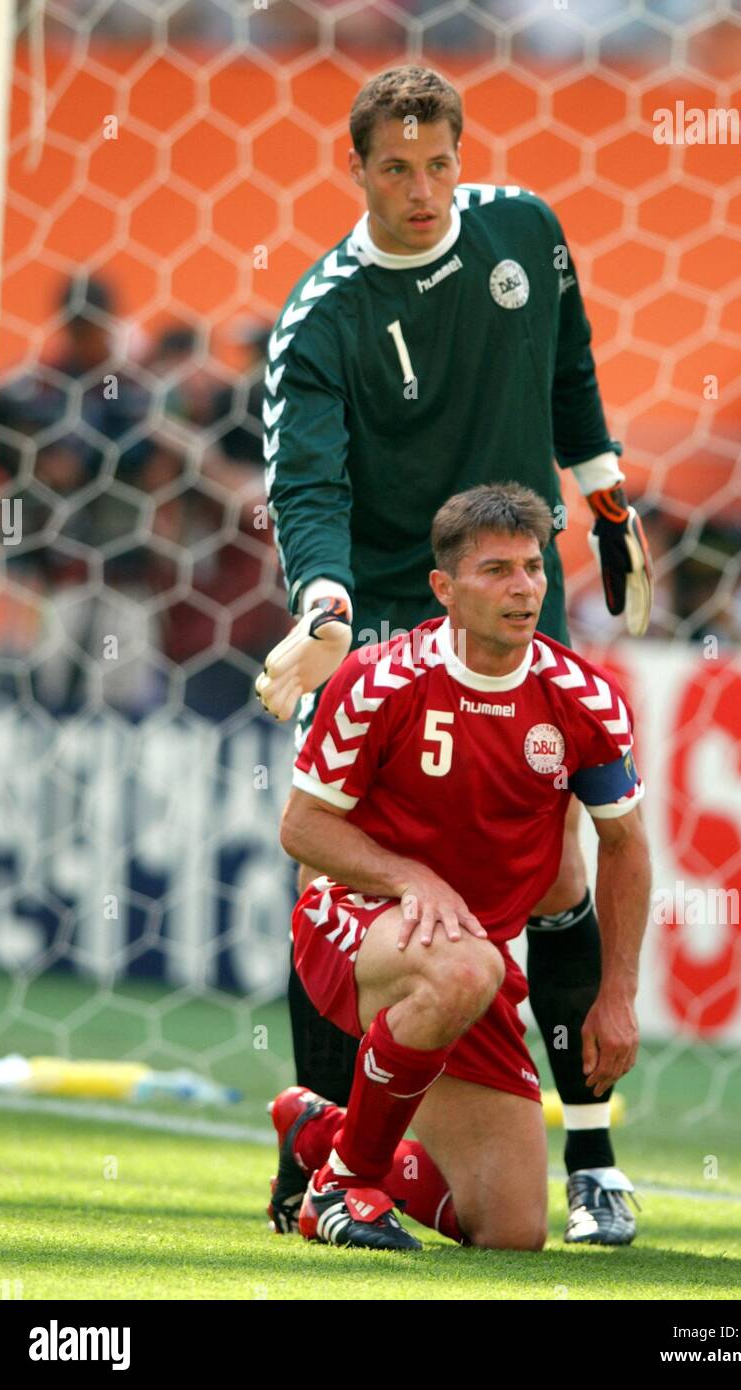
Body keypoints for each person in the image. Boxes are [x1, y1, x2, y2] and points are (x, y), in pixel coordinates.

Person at [257, 64, 652, 1241]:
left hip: (514, 594)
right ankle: (324, 1149)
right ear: (358, 169)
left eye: (439, 164)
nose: (422, 190)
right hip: (381, 609)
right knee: (343, 874)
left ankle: (591, 1156)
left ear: (460, 155)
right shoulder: (321, 317)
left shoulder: (522, 229)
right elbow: (304, 481)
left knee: (560, 873)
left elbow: (567, 364)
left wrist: (600, 488)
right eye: (396, 168)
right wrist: (325, 609)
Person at [268, 484, 650, 1250]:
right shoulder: (381, 680)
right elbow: (302, 828)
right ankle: (340, 1191)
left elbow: (625, 846)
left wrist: (618, 996)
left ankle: (318, 1135)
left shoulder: (585, 700)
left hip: (471, 966)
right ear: (443, 587)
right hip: (350, 920)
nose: (523, 588)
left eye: (534, 568)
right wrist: (411, 879)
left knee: (509, 1233)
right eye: (497, 570)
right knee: (466, 968)